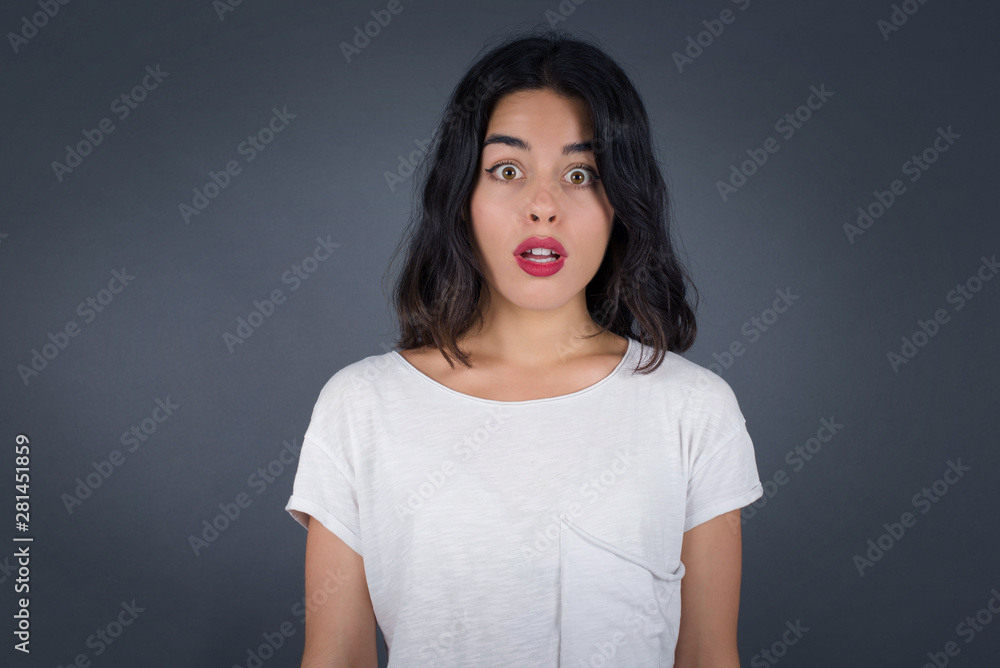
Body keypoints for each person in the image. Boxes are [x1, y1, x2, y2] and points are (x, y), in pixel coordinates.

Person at [285, 27, 764, 668]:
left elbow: (709, 657)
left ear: (620, 203)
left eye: (580, 173)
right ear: (462, 199)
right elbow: (336, 658)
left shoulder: (693, 410)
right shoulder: (362, 407)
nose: (543, 206)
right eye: (507, 170)